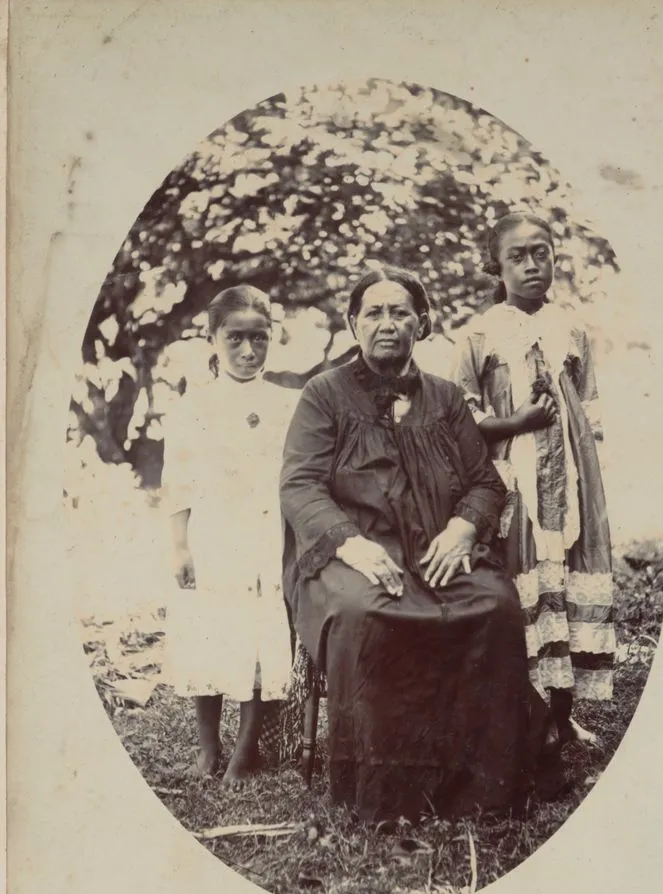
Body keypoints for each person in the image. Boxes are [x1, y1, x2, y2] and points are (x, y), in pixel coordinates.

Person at [280, 265, 563, 823]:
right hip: (352, 554)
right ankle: (389, 794)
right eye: (374, 313)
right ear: (353, 324)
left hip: (439, 548)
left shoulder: (446, 397)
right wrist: (350, 544)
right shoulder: (324, 394)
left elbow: (484, 480)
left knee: (494, 605)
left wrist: (462, 530)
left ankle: (483, 788)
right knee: (367, 614)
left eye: (400, 312)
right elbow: (300, 485)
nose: (387, 324)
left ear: (423, 323)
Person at [452, 213, 616, 745]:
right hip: (511, 480)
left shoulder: (571, 329)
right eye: (517, 257)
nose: (531, 265)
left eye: (540, 253)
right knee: (522, 589)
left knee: (565, 584)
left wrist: (587, 479)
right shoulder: (480, 334)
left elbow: (586, 409)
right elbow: (463, 415)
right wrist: (517, 423)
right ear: (496, 267)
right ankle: (522, 717)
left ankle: (562, 716)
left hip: (568, 481)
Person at [162, 284, 295, 788]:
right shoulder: (192, 406)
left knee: (256, 637)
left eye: (258, 339)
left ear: (271, 339)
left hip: (264, 536)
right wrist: (179, 546)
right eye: (235, 338)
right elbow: (177, 480)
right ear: (212, 337)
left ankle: (244, 751)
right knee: (208, 632)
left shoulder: (288, 404)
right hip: (213, 536)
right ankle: (208, 745)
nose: (247, 351)